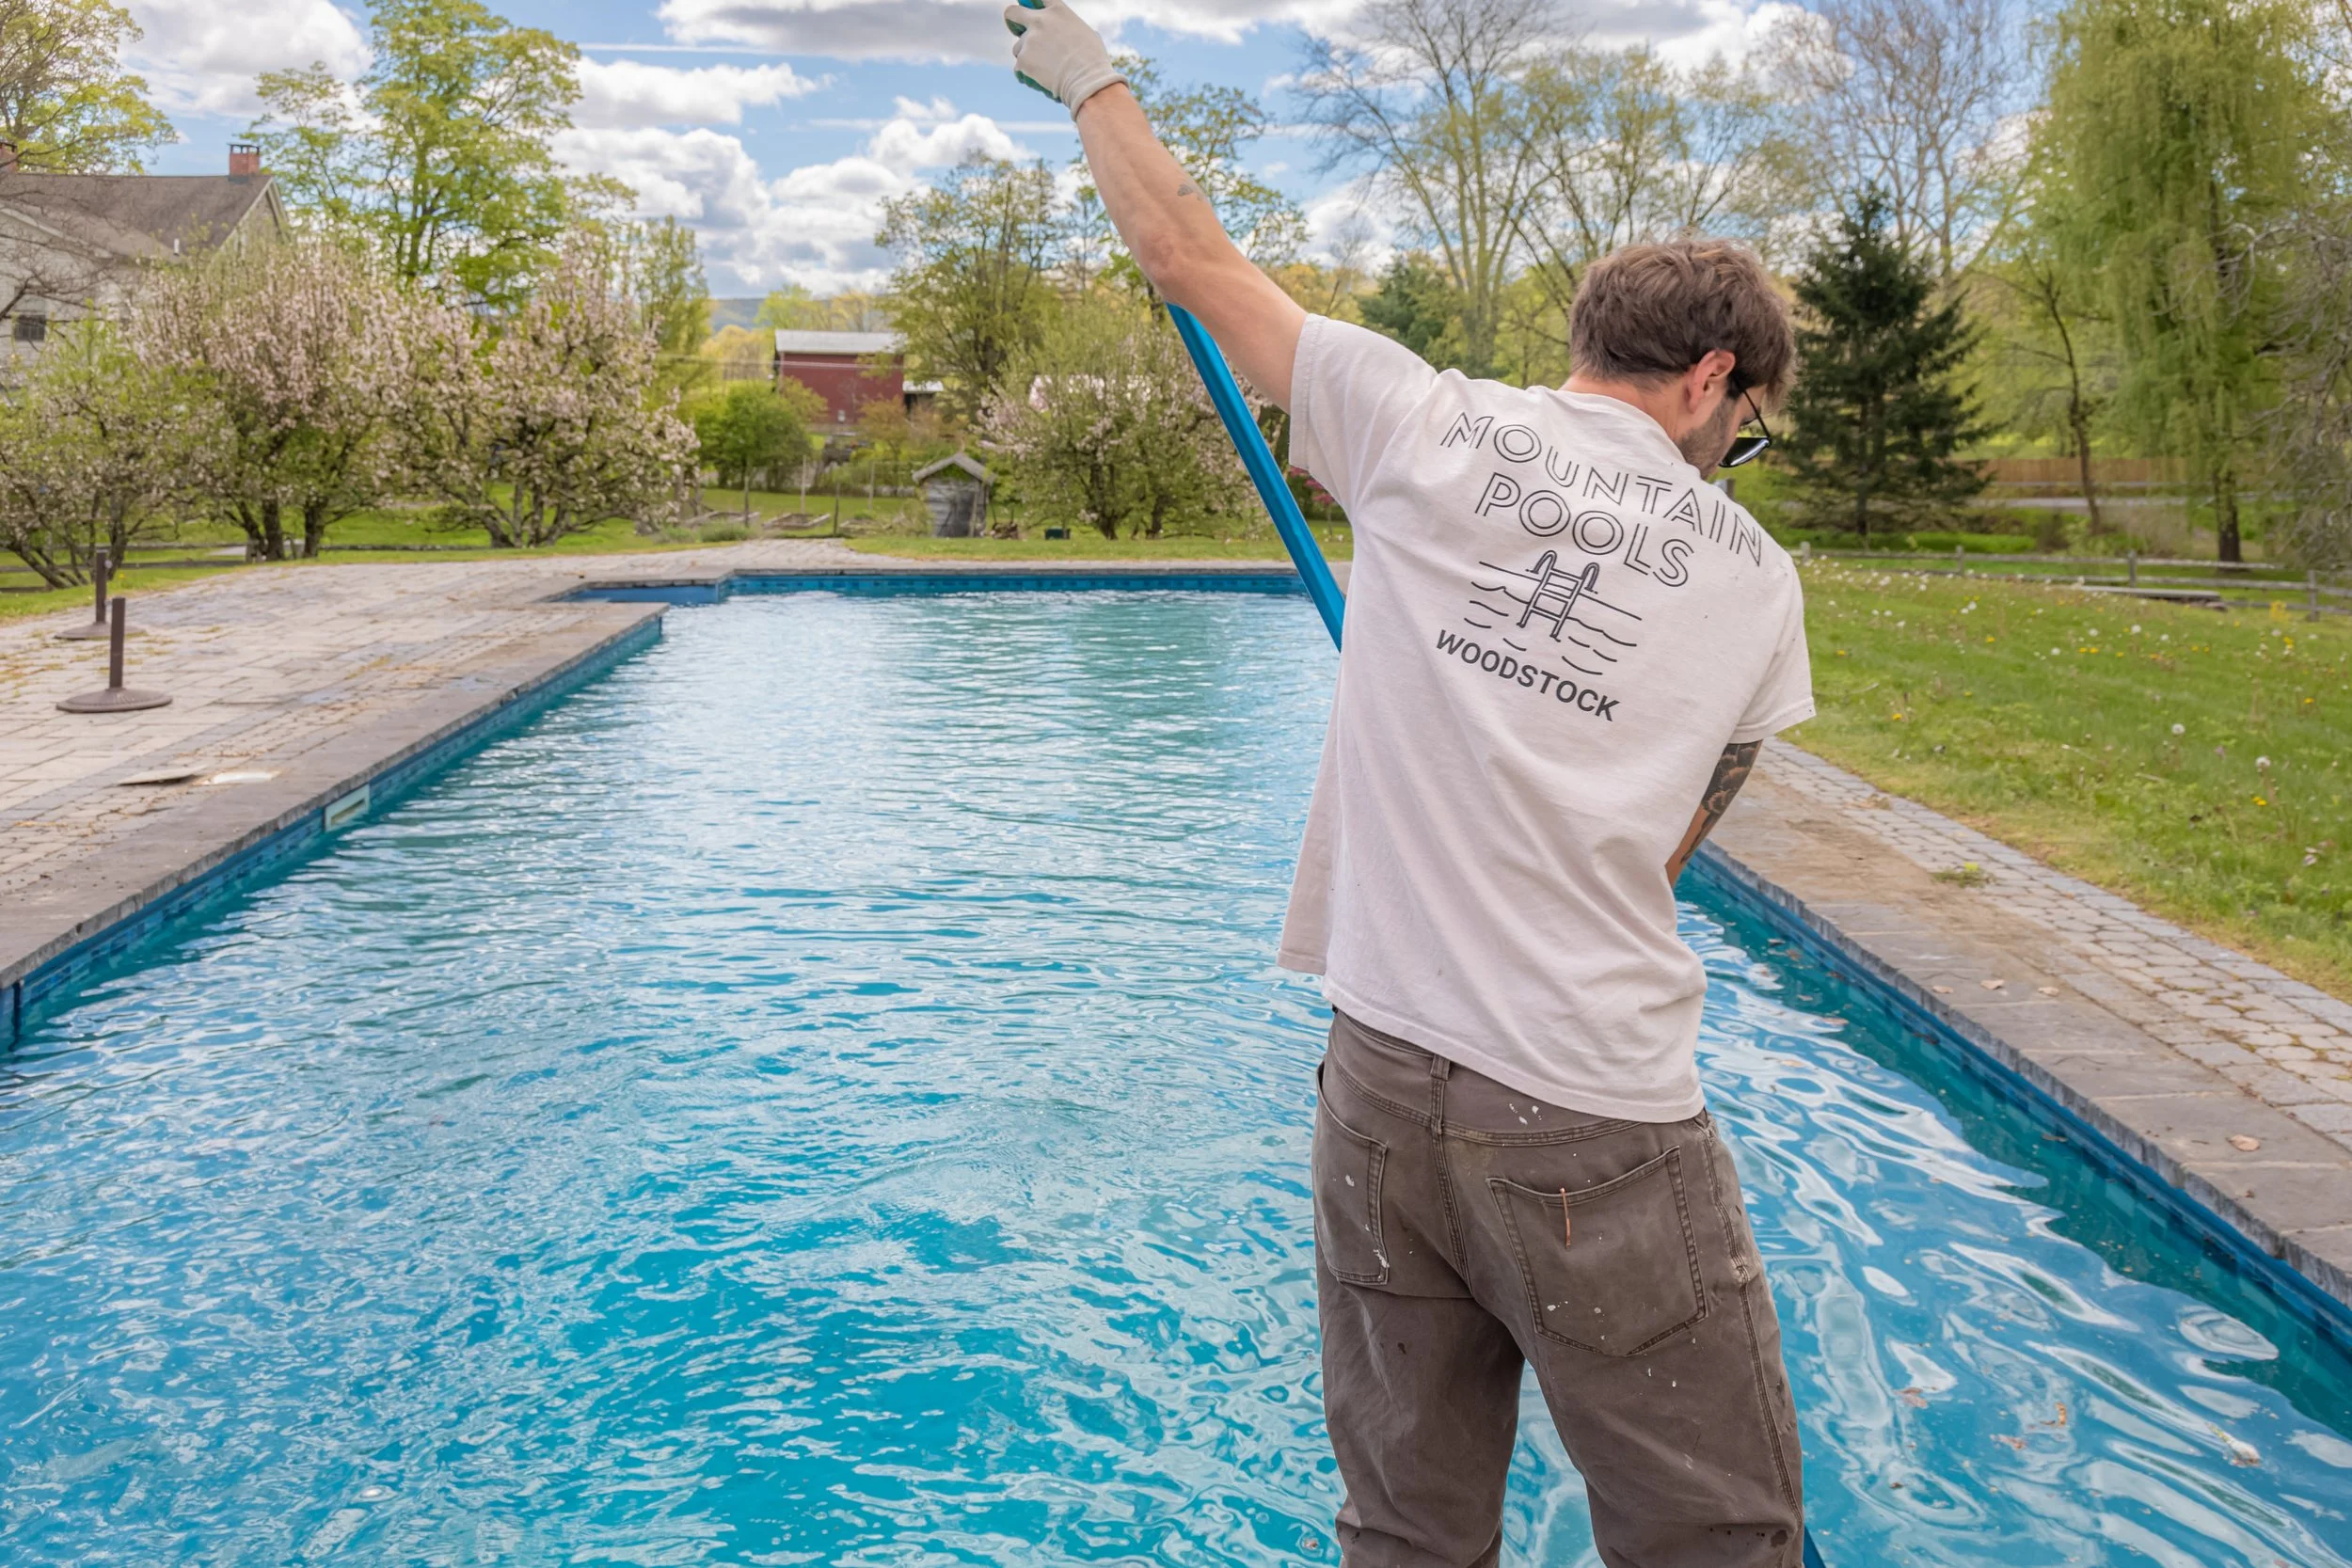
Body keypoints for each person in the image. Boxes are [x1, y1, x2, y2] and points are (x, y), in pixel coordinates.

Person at [1005, 5, 1814, 1563]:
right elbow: (1672, 845)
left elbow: (1184, 251)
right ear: (1714, 377)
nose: (1738, 453)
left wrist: (1087, 70)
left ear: (1591, 342)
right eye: (1747, 430)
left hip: (1377, 1084)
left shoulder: (1416, 419)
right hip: (1596, 1116)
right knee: (1715, 1537)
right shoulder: (1759, 583)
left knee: (1406, 1531)